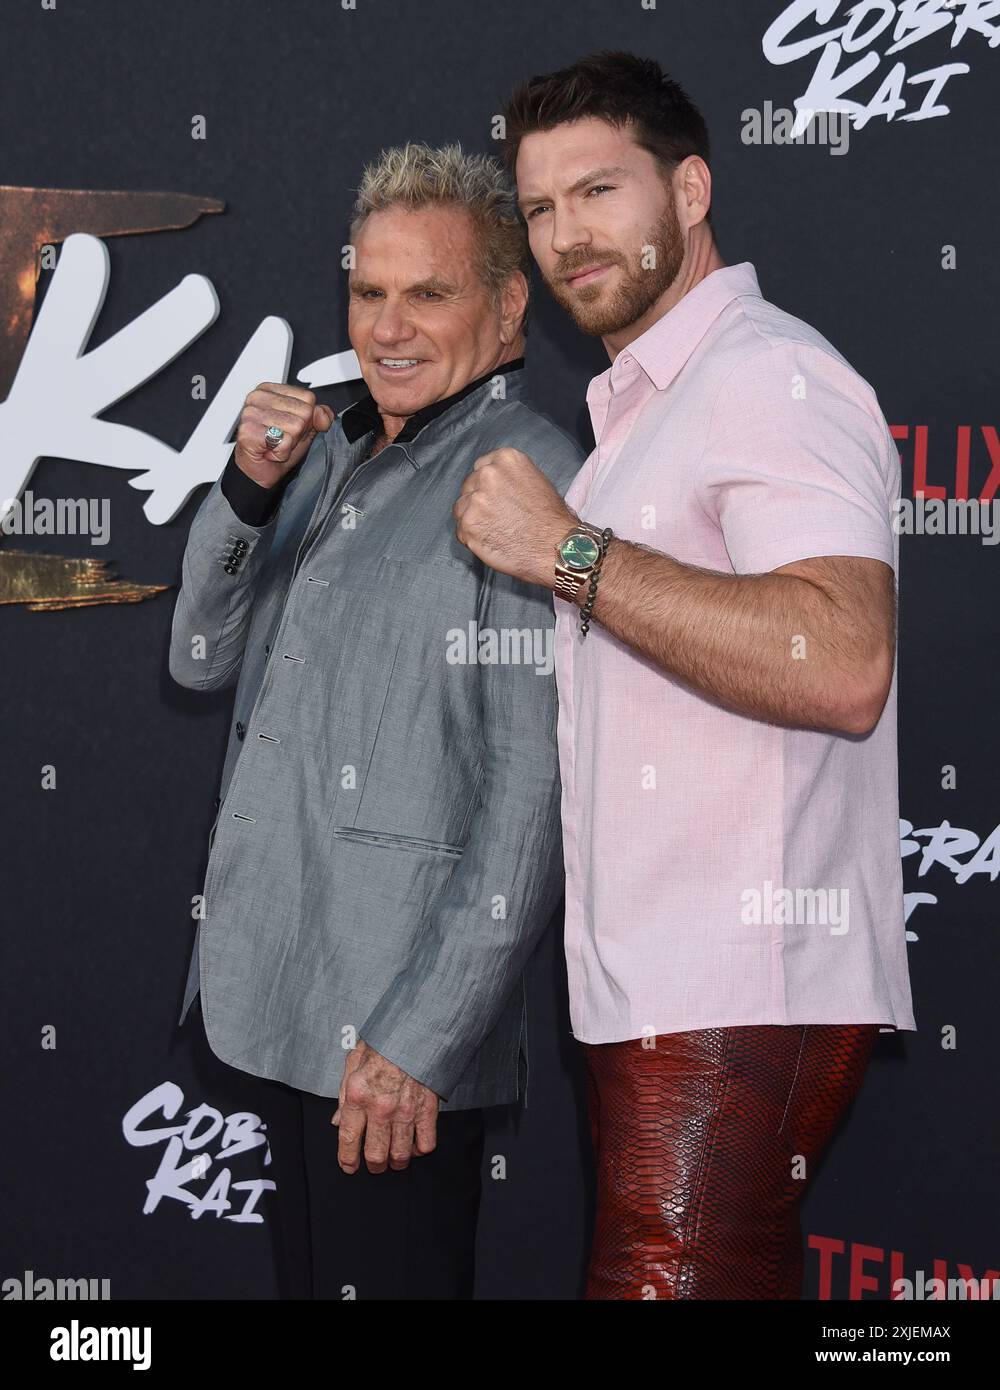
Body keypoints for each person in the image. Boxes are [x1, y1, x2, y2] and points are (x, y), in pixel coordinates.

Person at [454, 51, 916, 1299]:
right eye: (540, 208)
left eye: (599, 191)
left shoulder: (768, 374)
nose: (565, 236)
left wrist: (564, 550)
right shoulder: (651, 407)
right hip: (673, 994)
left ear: (692, 189)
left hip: (736, 984)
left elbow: (845, 659)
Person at [169, 140, 583, 1299]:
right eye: (367, 290)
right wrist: (247, 486)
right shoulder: (330, 450)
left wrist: (421, 1040)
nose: (386, 327)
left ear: (508, 310)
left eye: (427, 293)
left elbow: (529, 801)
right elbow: (196, 657)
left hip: (392, 1037)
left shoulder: (527, 480)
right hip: (289, 993)